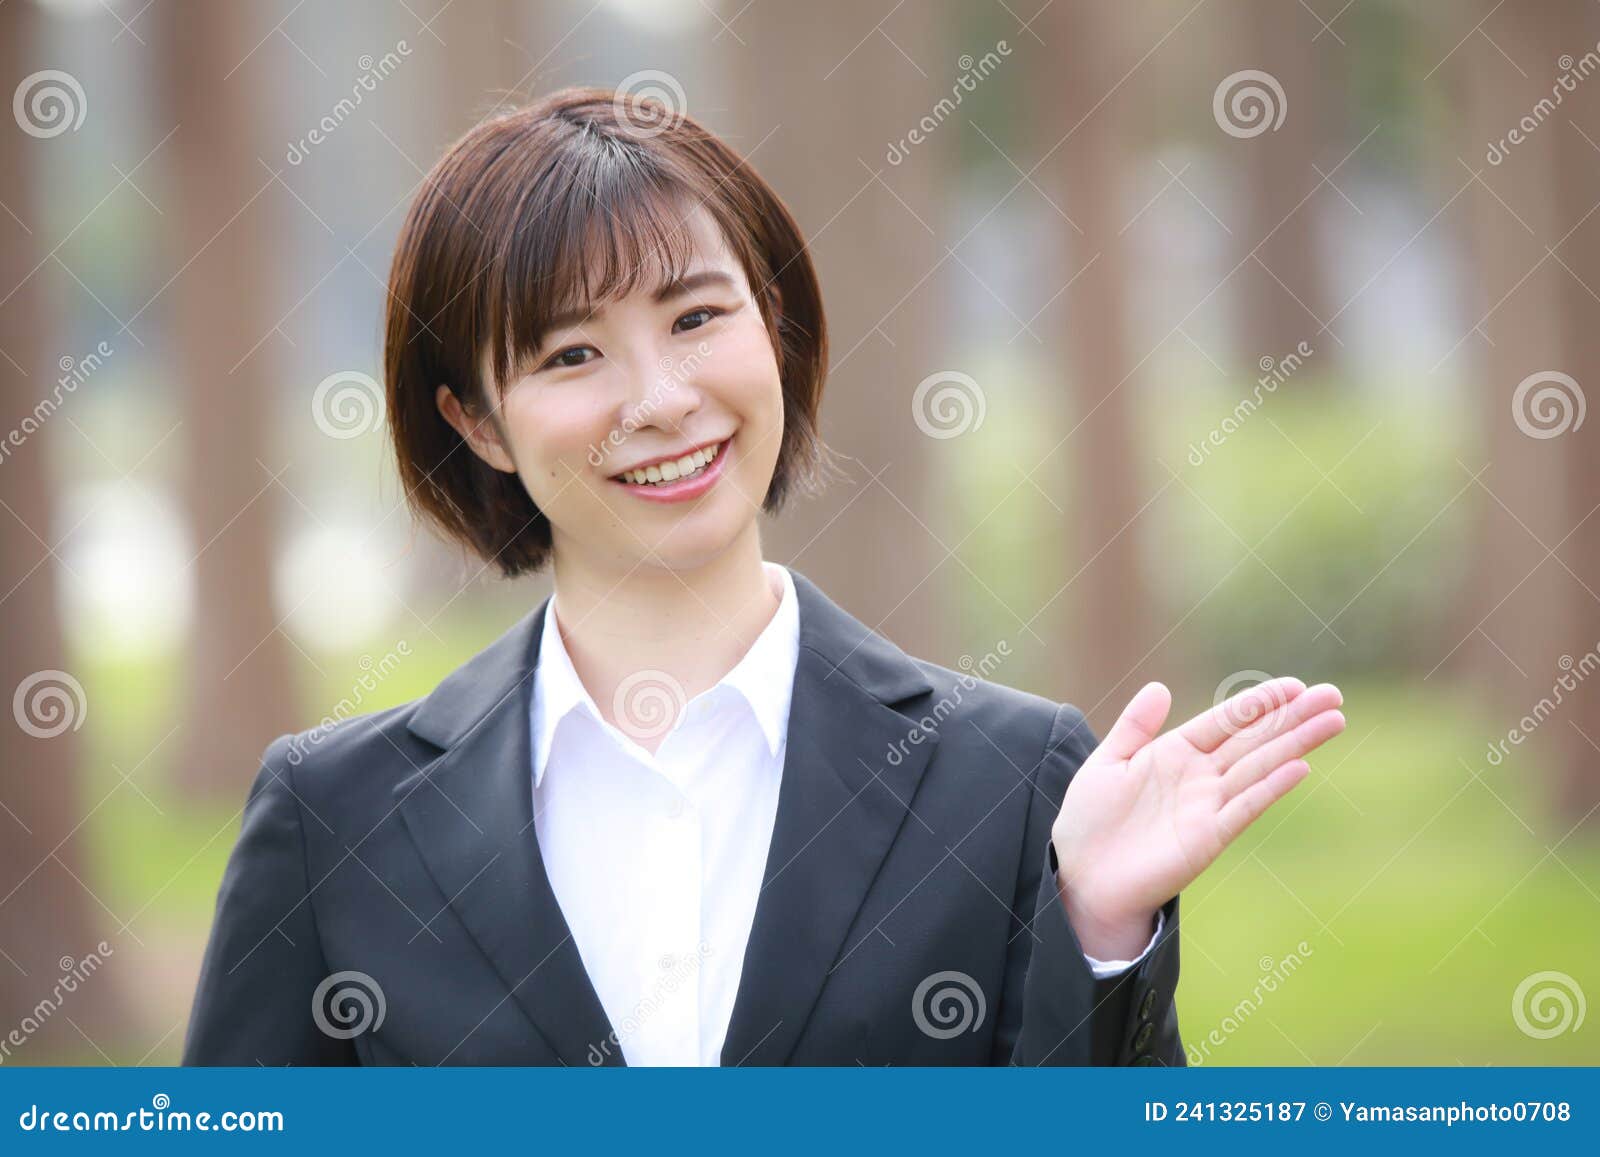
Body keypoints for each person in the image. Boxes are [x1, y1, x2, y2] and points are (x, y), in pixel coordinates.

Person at [182, 86, 1345, 1067]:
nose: (661, 399)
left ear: (773, 326)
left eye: (696, 316)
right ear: (477, 420)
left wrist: (1098, 932)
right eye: (573, 352)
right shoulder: (332, 825)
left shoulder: (1014, 783)